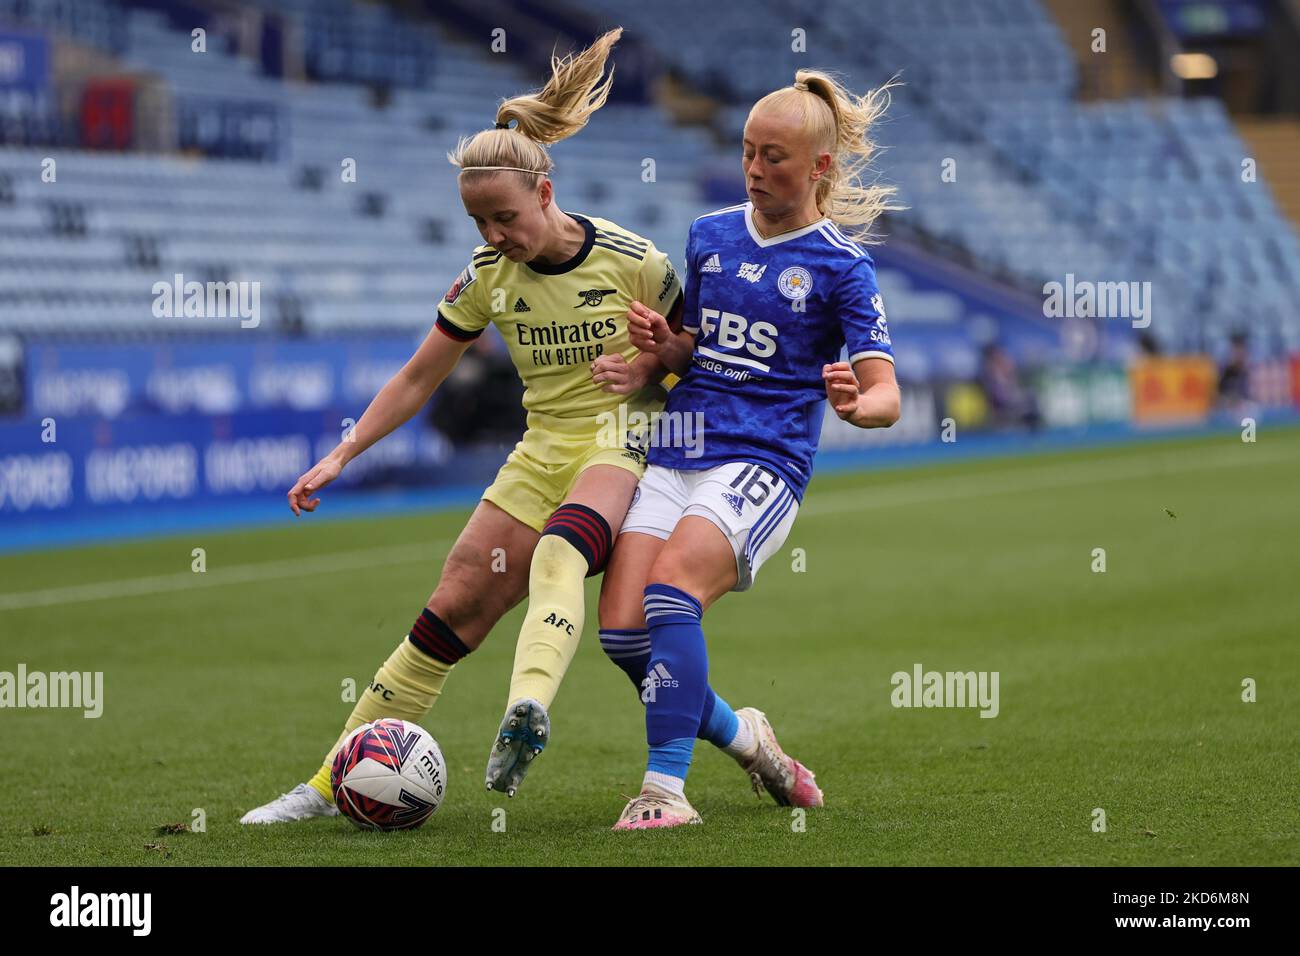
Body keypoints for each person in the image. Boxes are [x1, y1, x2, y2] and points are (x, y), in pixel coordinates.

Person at [240, 27, 682, 824]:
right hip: (539, 450)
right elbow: (418, 376)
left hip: (622, 442)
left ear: (545, 195)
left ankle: (527, 712)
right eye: (480, 223)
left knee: (560, 548)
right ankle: (320, 788)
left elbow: (695, 358)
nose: (494, 238)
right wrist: (344, 451)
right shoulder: (487, 277)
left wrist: (652, 368)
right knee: (450, 610)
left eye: (505, 218)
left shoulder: (634, 260)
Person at [605, 69, 903, 830]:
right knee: (622, 633)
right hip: (681, 441)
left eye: (774, 156)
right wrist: (665, 347)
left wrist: (855, 406)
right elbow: (694, 353)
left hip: (762, 459)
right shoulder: (709, 235)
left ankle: (664, 792)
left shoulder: (842, 267)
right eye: (748, 152)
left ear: (819, 168)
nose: (756, 168)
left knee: (672, 592)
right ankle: (751, 743)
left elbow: (886, 395)